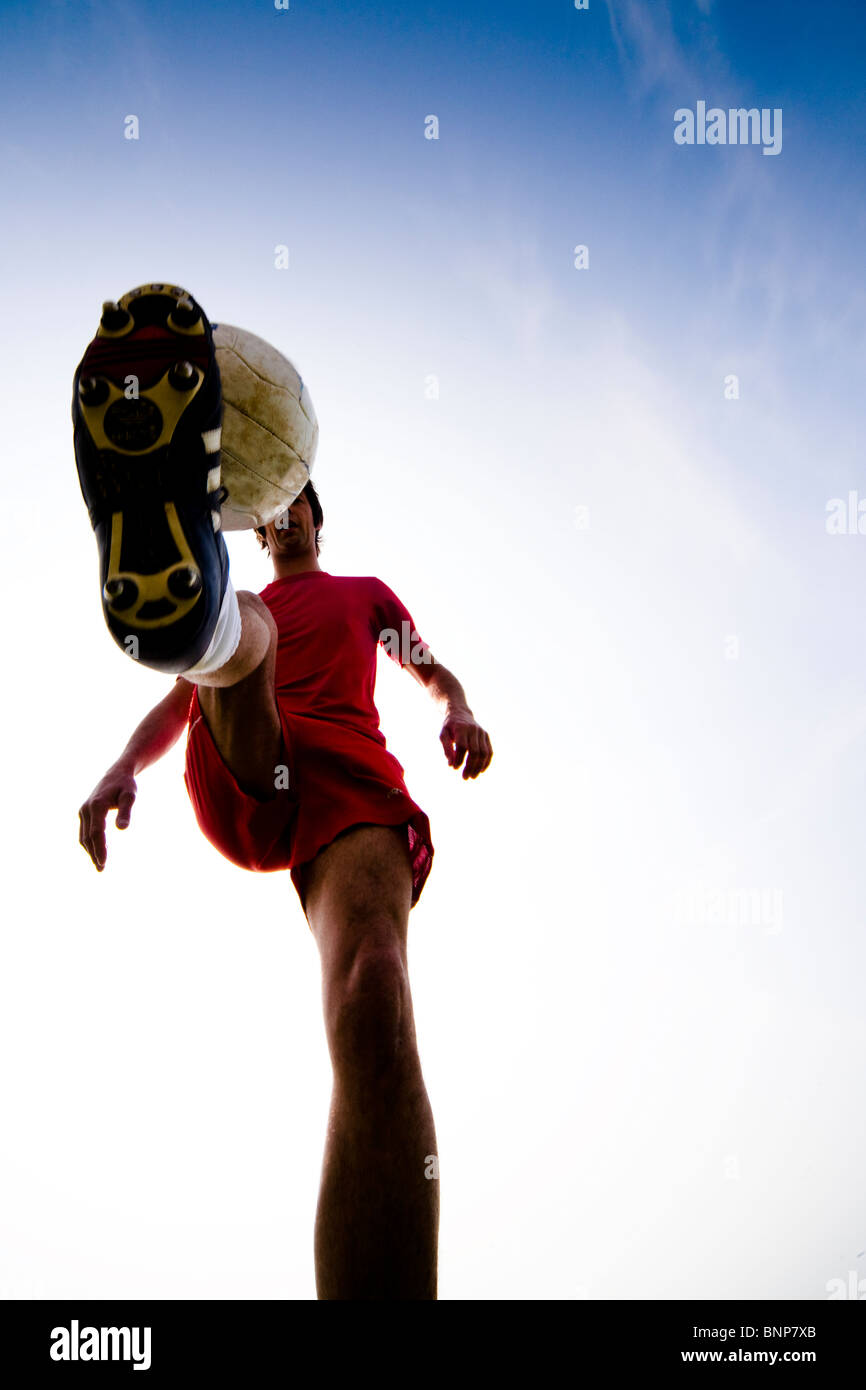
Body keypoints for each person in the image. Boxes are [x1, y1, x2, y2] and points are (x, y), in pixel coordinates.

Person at [73, 285, 493, 1300]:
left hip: (348, 793)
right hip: (247, 759)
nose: (291, 523)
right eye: (276, 520)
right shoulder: (263, 593)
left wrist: (458, 708)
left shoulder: (363, 595)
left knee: (373, 997)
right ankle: (197, 618)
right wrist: (121, 766)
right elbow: (173, 710)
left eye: (302, 510)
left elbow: (426, 666)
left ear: (314, 515)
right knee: (245, 636)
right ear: (260, 527)